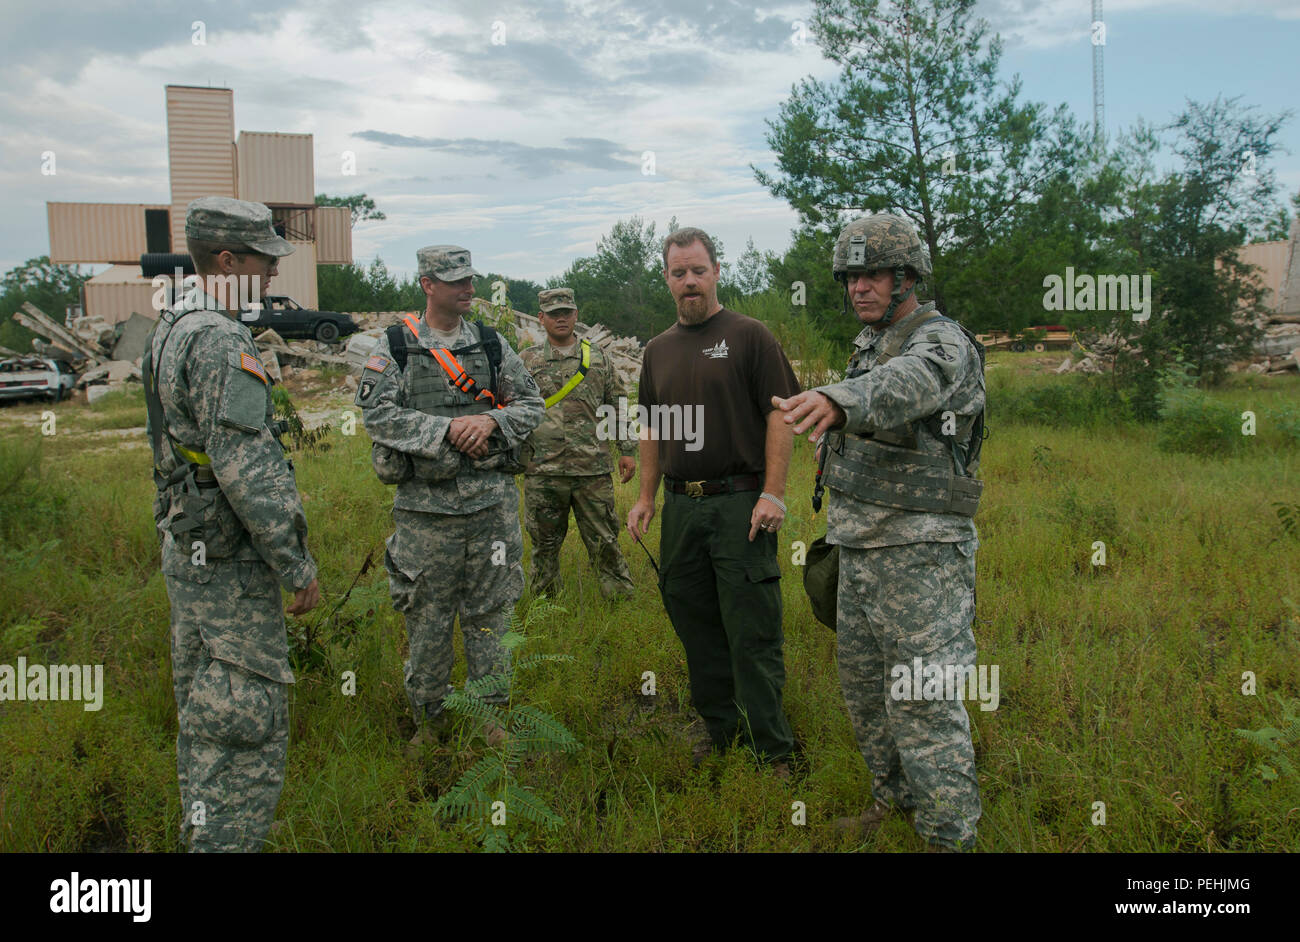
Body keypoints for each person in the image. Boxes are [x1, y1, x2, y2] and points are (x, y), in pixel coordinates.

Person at [776, 213, 986, 852]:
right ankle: (890, 800)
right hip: (860, 548)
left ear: (906, 277)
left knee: (924, 702)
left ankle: (948, 836)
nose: (859, 288)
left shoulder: (942, 344)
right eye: (850, 277)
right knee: (866, 692)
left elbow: (907, 386)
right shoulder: (871, 345)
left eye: (873, 275)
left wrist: (842, 402)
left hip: (920, 557)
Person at [143, 196, 320, 852]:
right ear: (227, 259)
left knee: (206, 718)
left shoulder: (173, 323)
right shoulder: (218, 336)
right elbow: (244, 463)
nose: (273, 272)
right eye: (262, 259)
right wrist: (296, 565)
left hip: (189, 552)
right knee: (245, 728)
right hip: (227, 568)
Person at [627, 227, 800, 775]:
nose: (689, 281)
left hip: (740, 506)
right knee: (697, 626)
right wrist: (645, 497)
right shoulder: (656, 351)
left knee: (751, 629)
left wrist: (773, 491)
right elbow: (651, 426)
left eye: (698, 270)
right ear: (667, 279)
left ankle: (772, 750)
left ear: (717, 271)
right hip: (682, 508)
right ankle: (723, 733)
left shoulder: (751, 336)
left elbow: (780, 412)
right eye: (679, 273)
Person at [355, 245, 543, 749]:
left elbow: (531, 405)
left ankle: (490, 716)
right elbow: (378, 416)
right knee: (428, 616)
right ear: (427, 284)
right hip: (425, 515)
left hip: (491, 509)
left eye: (470, 279)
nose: (468, 288)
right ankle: (430, 722)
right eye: (455, 280)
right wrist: (447, 429)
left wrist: (489, 420)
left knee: (491, 612)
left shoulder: (491, 342)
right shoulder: (395, 346)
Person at [520, 287, 636, 601]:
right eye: (553, 313)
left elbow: (617, 404)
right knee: (544, 546)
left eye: (566, 312)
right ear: (541, 318)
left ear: (576, 315)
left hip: (592, 470)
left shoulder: (598, 357)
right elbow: (512, 410)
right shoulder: (526, 361)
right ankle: (546, 609)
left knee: (605, 542)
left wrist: (626, 449)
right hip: (544, 471)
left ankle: (620, 602)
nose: (561, 318)